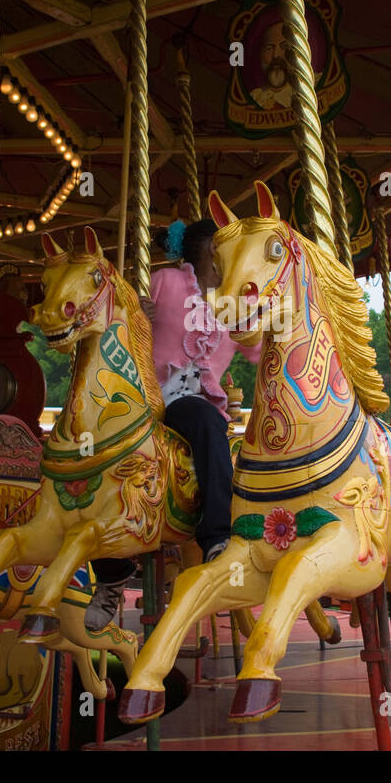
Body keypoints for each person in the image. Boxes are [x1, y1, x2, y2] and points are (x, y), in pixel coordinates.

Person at [85, 218, 261, 631]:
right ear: (207, 252)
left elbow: (263, 349)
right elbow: (112, 325)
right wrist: (132, 314)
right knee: (92, 451)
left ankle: (218, 534)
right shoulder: (164, 281)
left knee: (205, 420)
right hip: (143, 395)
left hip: (191, 404)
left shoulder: (237, 302)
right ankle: (110, 573)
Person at [251, 20, 294, 109]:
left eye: (284, 46)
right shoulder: (255, 97)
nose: (275, 55)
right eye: (269, 48)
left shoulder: (309, 90)